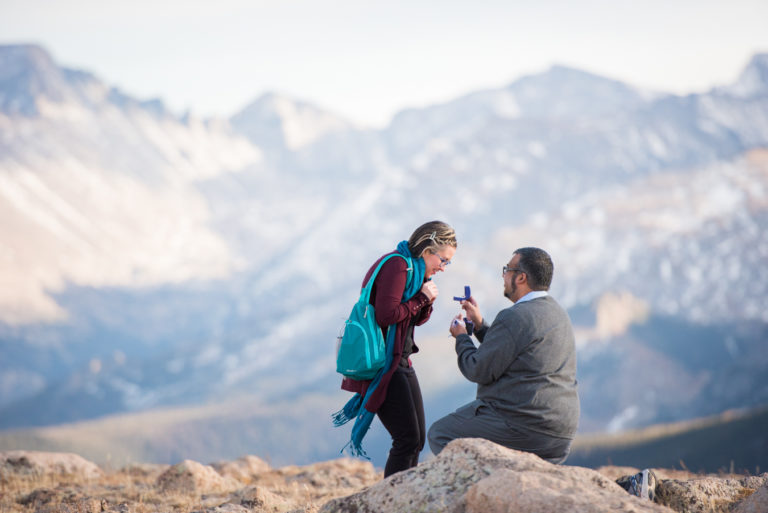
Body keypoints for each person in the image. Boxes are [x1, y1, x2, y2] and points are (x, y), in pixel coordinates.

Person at [427, 247, 579, 464]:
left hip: (523, 425)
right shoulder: (556, 312)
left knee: (441, 434)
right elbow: (510, 349)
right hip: (559, 433)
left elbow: (477, 369)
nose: (503, 275)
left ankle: (487, 490)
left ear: (521, 277)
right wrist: (479, 326)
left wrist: (461, 337)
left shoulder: (515, 316)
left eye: (507, 269)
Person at [336, 220, 457, 477]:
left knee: (415, 440)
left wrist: (425, 300)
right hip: (385, 364)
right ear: (427, 249)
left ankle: (402, 499)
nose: (444, 268)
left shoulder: (414, 272)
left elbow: (414, 319)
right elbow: (386, 316)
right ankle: (393, 502)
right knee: (407, 439)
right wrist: (421, 298)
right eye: (443, 260)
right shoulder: (397, 266)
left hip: (400, 360)